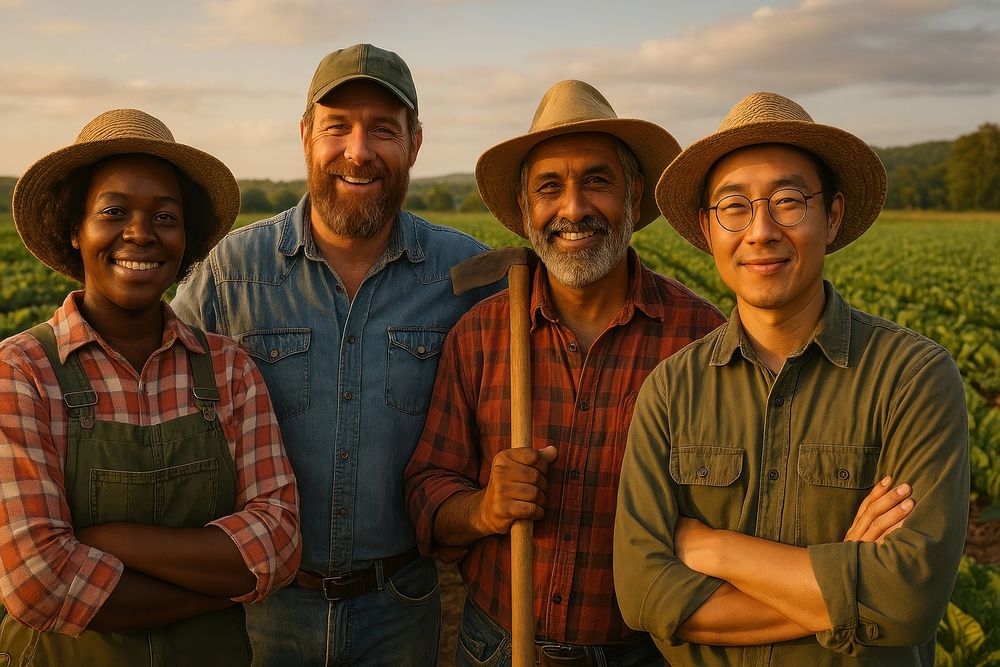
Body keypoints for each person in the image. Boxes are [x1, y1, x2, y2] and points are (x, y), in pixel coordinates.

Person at [614, 91, 970, 665]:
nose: (760, 231)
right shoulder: (671, 390)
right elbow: (642, 594)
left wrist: (714, 549)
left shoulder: (913, 378)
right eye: (734, 206)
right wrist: (852, 591)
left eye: (788, 201)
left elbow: (908, 601)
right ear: (708, 229)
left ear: (832, 217)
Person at [171, 43, 496, 665]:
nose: (359, 150)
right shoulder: (232, 272)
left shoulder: (464, 275)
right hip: (263, 606)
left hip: (401, 604)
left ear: (415, 144)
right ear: (305, 137)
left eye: (383, 129)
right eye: (337, 126)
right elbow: (156, 397)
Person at [403, 79, 725, 666]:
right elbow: (428, 492)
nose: (573, 209)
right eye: (549, 187)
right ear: (526, 208)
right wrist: (485, 508)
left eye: (597, 181)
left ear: (632, 195)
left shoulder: (699, 339)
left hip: (646, 652)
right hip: (498, 645)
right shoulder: (480, 335)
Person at [0, 108, 301, 666]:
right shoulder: (21, 372)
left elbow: (278, 543)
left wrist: (107, 538)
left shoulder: (229, 368)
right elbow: (37, 581)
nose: (140, 233)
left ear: (185, 238)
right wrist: (218, 587)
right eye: (113, 211)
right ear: (75, 229)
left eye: (165, 216)